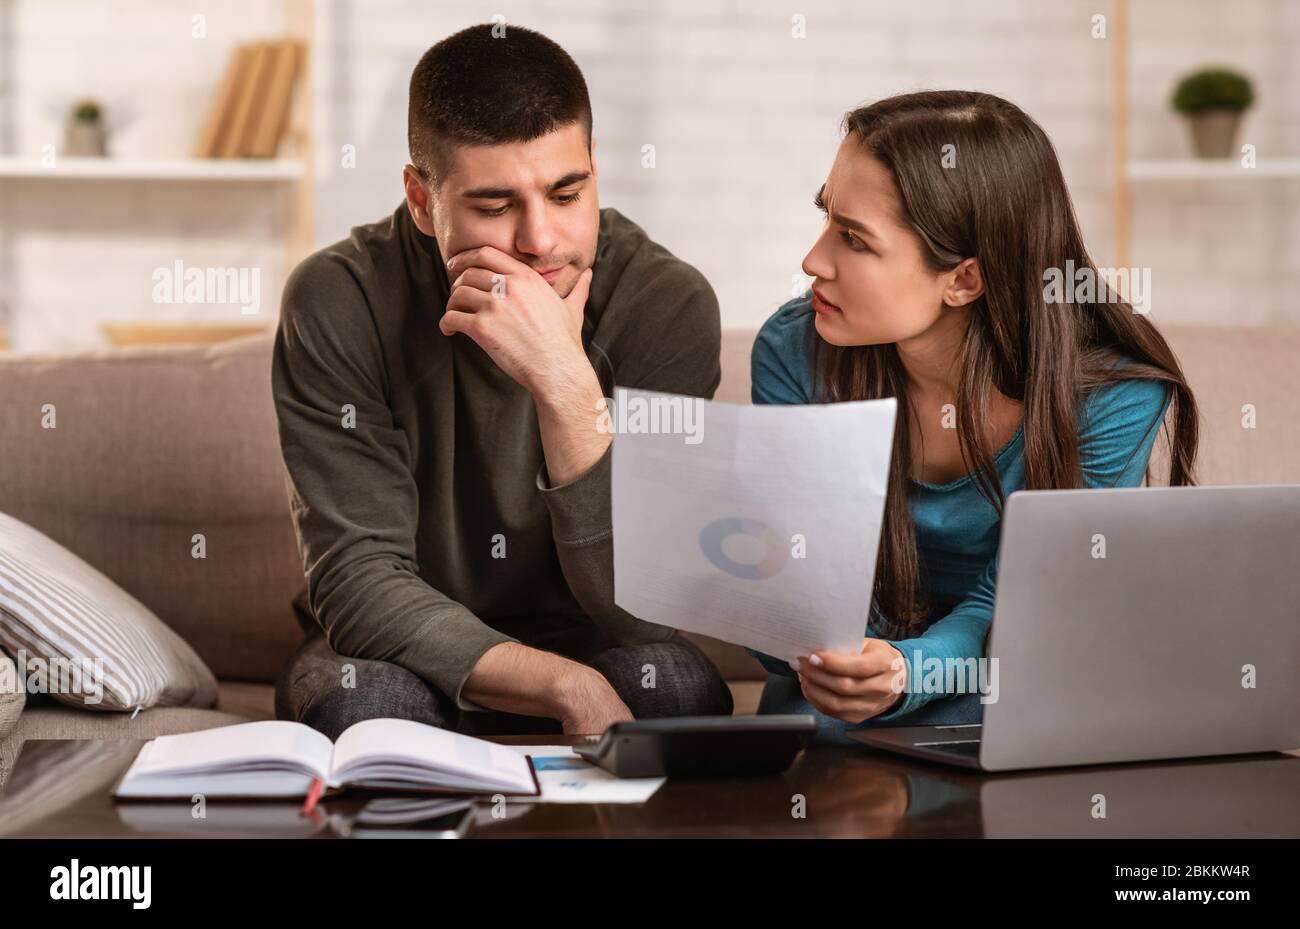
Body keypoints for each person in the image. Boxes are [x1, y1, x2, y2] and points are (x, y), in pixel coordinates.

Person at [272, 23, 732, 740]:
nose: (541, 239)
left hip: (596, 635)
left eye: (566, 192)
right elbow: (359, 584)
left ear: (594, 170)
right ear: (423, 201)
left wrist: (564, 384)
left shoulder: (666, 303)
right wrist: (558, 684)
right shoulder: (340, 297)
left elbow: (646, 614)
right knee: (364, 706)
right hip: (407, 651)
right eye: (494, 206)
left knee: (677, 686)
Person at [750, 91, 1198, 741]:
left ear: (963, 279)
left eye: (853, 239)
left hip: (1010, 668)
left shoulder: (1112, 395)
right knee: (809, 721)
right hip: (838, 690)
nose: (813, 262)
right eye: (827, 219)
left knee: (981, 711)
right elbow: (794, 593)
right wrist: (849, 663)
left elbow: (1024, 606)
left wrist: (910, 671)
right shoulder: (793, 352)